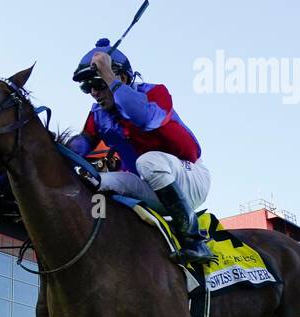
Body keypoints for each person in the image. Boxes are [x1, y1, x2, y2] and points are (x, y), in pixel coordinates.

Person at [67, 38, 215, 264]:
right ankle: (100, 240)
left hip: (189, 177)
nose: (94, 93)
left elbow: (144, 118)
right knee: (94, 181)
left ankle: (194, 241)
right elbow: (84, 143)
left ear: (122, 77)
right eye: (87, 87)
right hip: (147, 183)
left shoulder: (156, 93)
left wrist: (110, 77)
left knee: (148, 161)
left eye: (98, 83)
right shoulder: (97, 113)